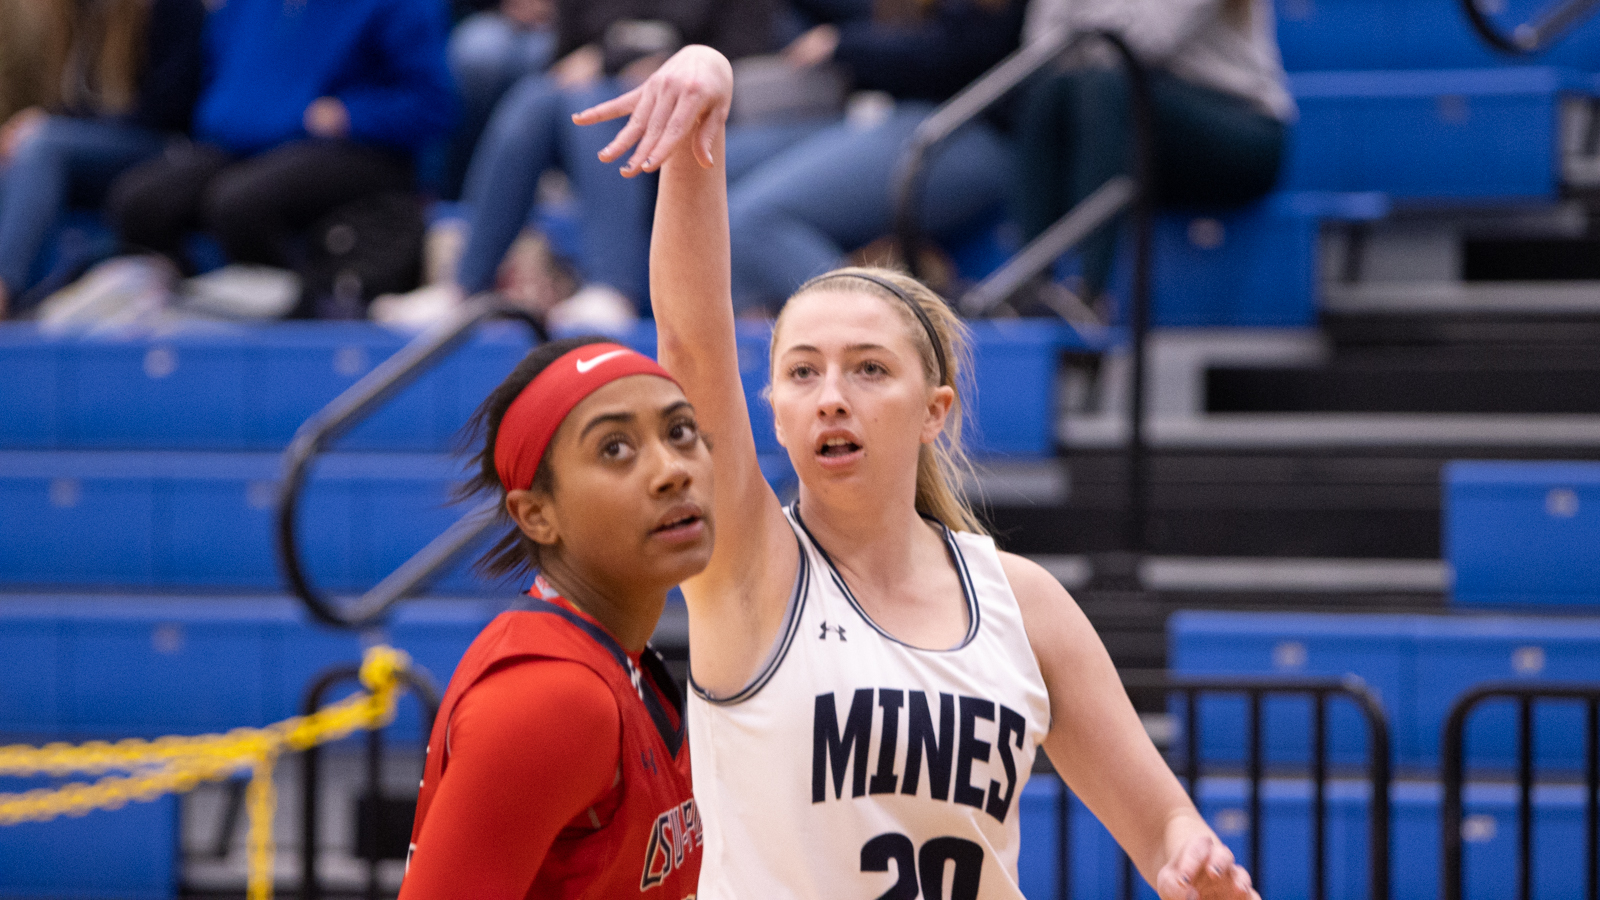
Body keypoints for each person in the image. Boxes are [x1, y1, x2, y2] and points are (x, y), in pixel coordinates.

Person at [577, 44, 1262, 899]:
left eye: (868, 369)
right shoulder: (752, 570)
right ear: (775, 413)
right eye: (803, 373)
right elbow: (688, 342)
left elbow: (1162, 826)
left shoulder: (1022, 601)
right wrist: (702, 107)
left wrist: (1194, 858)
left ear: (934, 410)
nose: (832, 397)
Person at [400, 335, 713, 898]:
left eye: (680, 431)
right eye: (615, 448)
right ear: (537, 515)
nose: (672, 470)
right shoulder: (554, 694)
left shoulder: (623, 660)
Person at [372, 0, 778, 330]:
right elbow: (563, 58)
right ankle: (464, 286)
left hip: (700, 114)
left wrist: (632, 65)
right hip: (597, 104)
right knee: (534, 97)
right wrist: (612, 67)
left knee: (590, 99)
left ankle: (612, 288)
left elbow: (743, 58)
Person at [106, 0, 455, 297]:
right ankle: (179, 309)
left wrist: (350, 114)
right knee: (141, 200)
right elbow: (217, 75)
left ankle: (295, 313)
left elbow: (431, 105)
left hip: (355, 151)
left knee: (240, 203)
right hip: (242, 144)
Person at [723, 0, 1026, 313]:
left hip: (966, 127)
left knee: (750, 221)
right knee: (710, 164)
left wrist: (845, 44)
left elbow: (956, 53)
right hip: (885, 112)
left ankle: (865, 333)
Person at [1013, 0, 1294, 302]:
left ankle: (1091, 295)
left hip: (1243, 129)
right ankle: (1029, 288)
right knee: (1048, 92)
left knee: (1102, 88)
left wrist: (1078, 32)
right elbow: (1039, 47)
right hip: (1150, 125)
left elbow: (1142, 41)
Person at [0, 0, 205, 318]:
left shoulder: (170, 8)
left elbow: (165, 112)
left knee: (42, 145)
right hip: (91, 143)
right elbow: (74, 103)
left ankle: (4, 289)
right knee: (20, 148)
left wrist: (57, 123)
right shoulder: (75, 14)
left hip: (160, 147)